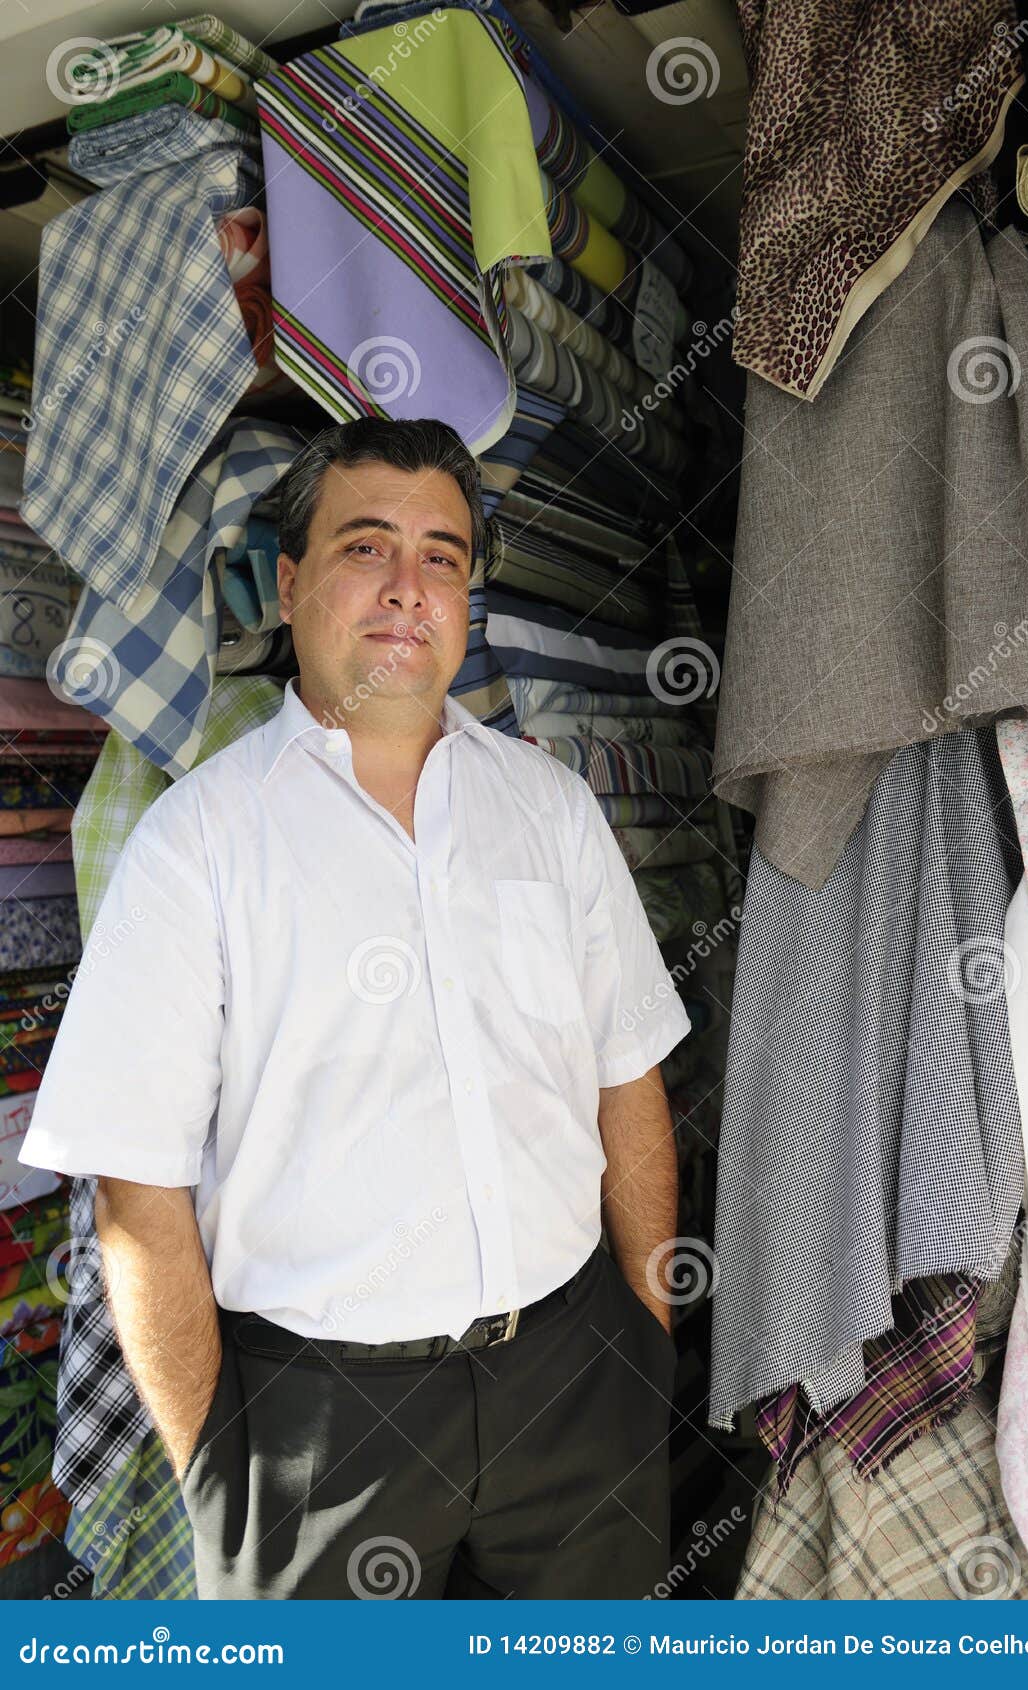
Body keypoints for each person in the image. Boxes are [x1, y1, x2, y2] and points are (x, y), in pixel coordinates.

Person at [20, 417, 691, 1600]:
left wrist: (641, 1327)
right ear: (288, 585)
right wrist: (217, 1471)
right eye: (364, 546)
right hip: (321, 1426)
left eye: (440, 556)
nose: (405, 586)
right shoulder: (199, 843)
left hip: (577, 1375)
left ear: (467, 596)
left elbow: (625, 1073)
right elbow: (135, 1192)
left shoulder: (550, 809)